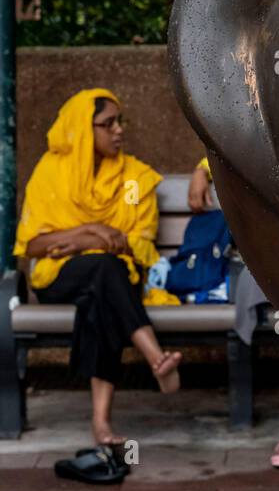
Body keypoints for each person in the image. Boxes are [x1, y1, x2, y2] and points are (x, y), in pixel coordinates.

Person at [13, 88, 182, 446]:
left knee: (101, 291)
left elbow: (139, 242)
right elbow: (33, 246)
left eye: (120, 122)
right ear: (82, 128)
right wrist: (90, 231)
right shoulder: (50, 173)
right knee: (105, 269)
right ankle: (156, 357)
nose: (118, 130)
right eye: (108, 124)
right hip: (58, 278)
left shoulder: (134, 179)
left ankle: (101, 423)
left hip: (116, 276)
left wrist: (80, 243)